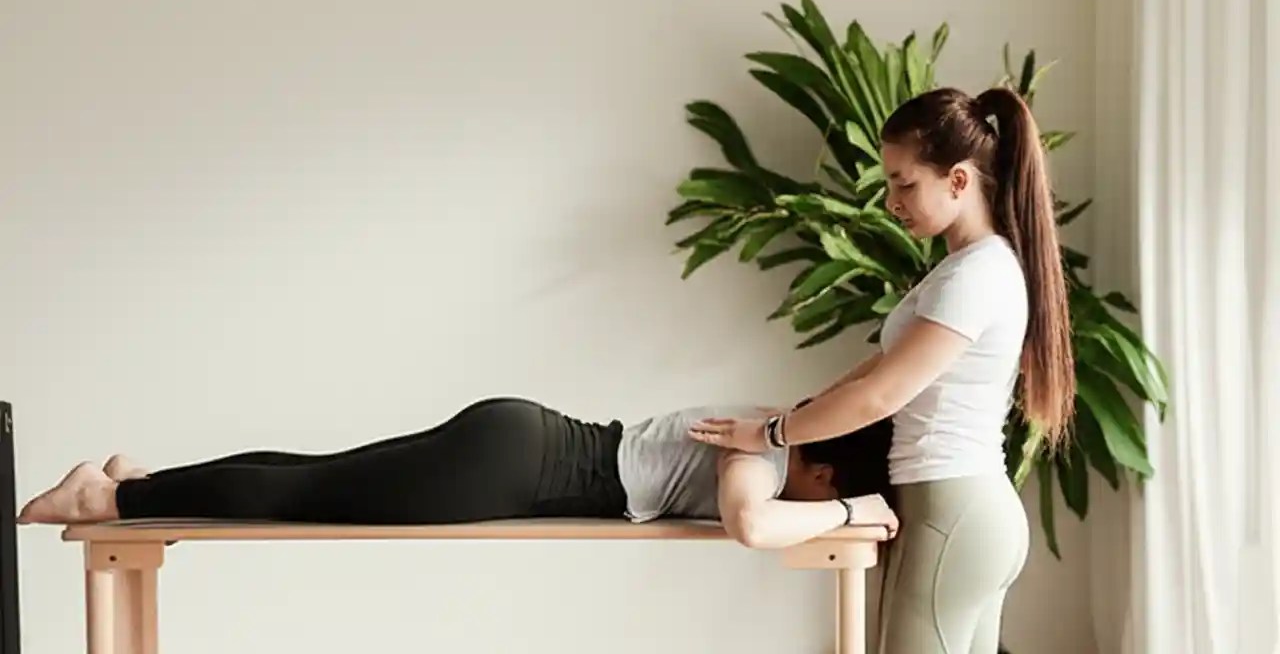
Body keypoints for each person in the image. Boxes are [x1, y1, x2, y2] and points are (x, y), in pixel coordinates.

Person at [689, 86, 1074, 652]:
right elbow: (881, 367)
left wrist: (771, 435)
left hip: (951, 510)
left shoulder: (975, 275)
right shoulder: (973, 269)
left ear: (959, 181)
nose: (892, 200)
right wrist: (798, 413)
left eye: (905, 183)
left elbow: (880, 396)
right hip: (966, 511)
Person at [20, 395, 899, 550]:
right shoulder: (767, 450)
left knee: (322, 478)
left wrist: (842, 506)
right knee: (309, 498)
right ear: (824, 469)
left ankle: (141, 478)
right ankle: (112, 497)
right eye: (828, 487)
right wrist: (850, 514)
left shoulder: (767, 423)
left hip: (519, 442)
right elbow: (752, 524)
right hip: (514, 468)